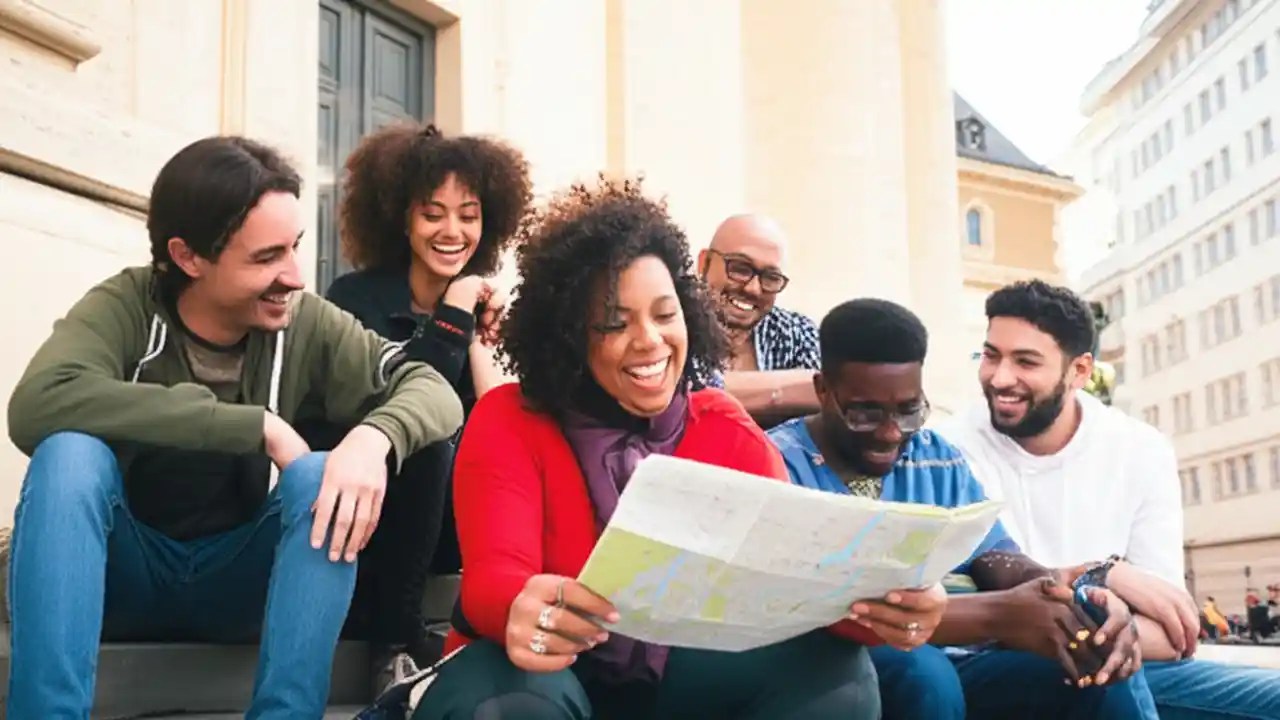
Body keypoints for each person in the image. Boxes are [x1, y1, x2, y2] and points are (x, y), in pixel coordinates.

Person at [411, 179, 918, 720]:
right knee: (513, 696)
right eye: (614, 322)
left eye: (664, 313)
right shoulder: (511, 418)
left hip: (675, 682)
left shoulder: (725, 426)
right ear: (569, 335)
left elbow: (791, 585)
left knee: (838, 672)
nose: (650, 339)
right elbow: (493, 578)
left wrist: (887, 604)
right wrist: (521, 604)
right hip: (537, 674)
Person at [4, 136, 464, 719]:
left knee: (319, 475)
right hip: (118, 574)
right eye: (267, 257)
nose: (296, 276)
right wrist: (254, 427)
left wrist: (373, 440)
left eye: (295, 248)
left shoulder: (304, 322)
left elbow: (432, 390)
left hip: (236, 584)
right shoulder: (126, 306)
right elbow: (39, 402)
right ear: (189, 256)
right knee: (69, 455)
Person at [768, 298, 1155, 719]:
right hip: (842, 669)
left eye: (909, 410)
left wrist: (1061, 596)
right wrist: (999, 615)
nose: (891, 433)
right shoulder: (779, 465)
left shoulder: (936, 456)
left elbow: (992, 554)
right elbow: (832, 610)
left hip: (964, 661)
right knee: (923, 674)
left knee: (1092, 644)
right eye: (866, 413)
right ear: (823, 390)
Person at [938, 279, 1280, 720]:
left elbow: (1174, 631)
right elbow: (980, 616)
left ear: (1079, 371)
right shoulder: (947, 451)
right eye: (990, 355)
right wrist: (1105, 582)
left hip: (1131, 663)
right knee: (1102, 675)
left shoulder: (1139, 448)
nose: (1001, 377)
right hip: (996, 666)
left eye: (1025, 361)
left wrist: (1107, 611)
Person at [304, 123, 532, 676]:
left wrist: (481, 332)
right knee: (429, 440)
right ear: (402, 220)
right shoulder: (354, 298)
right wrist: (453, 315)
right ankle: (396, 638)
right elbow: (412, 403)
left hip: (453, 527)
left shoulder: (491, 307)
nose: (452, 230)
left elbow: (505, 429)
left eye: (468, 214)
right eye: (433, 213)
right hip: (369, 508)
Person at [696, 214, 820, 426]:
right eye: (739, 268)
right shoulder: (670, 324)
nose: (753, 288)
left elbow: (833, 397)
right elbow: (679, 395)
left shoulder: (793, 333)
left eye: (771, 277)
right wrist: (788, 391)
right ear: (703, 263)